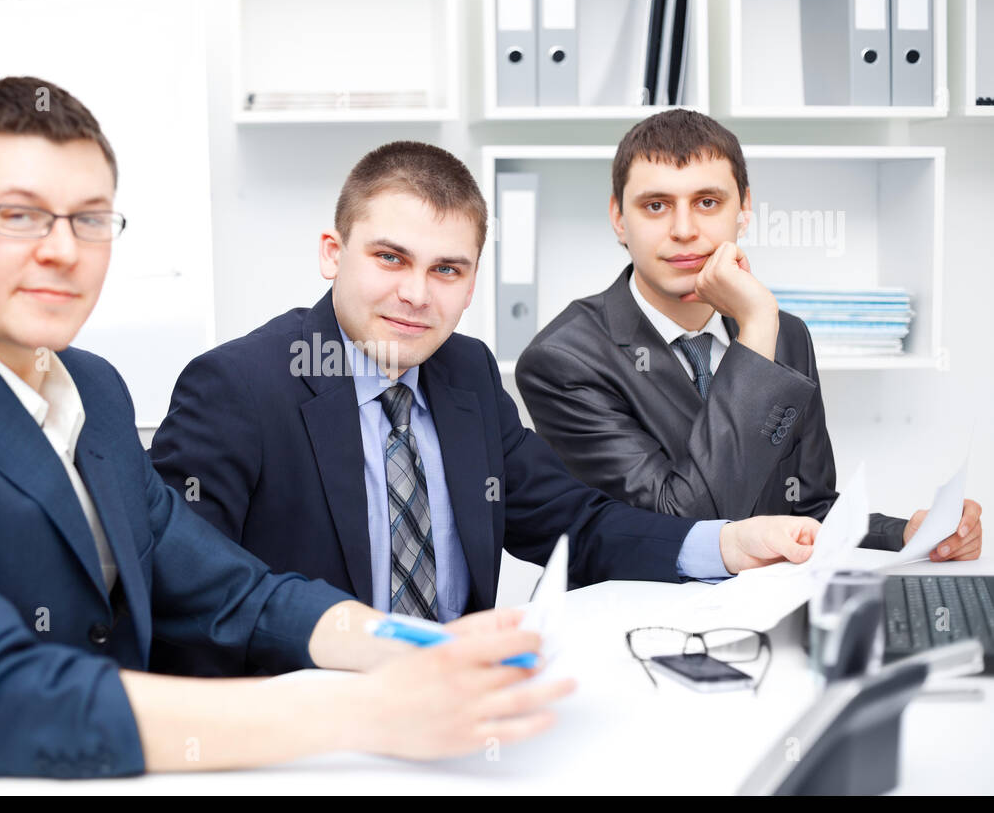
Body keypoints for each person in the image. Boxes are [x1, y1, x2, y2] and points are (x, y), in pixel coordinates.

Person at [0, 77, 572, 795]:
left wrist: (415, 647)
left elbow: (235, 590)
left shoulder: (89, 385)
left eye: (90, 218)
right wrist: (366, 712)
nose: (62, 250)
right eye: (17, 215)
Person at [149, 140, 822, 677]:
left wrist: (728, 542)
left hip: (462, 715)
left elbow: (576, 527)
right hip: (312, 724)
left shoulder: (464, 373)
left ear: (472, 278)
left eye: (447, 269)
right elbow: (190, 597)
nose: (416, 294)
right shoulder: (238, 386)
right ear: (334, 253)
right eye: (390, 258)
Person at [515, 109, 982, 560]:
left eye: (707, 202)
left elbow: (806, 506)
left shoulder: (787, 334)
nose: (683, 230)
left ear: (745, 210)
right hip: (634, 618)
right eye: (656, 206)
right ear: (619, 218)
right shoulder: (563, 360)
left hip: (767, 614)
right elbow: (686, 521)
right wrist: (756, 331)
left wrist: (906, 534)